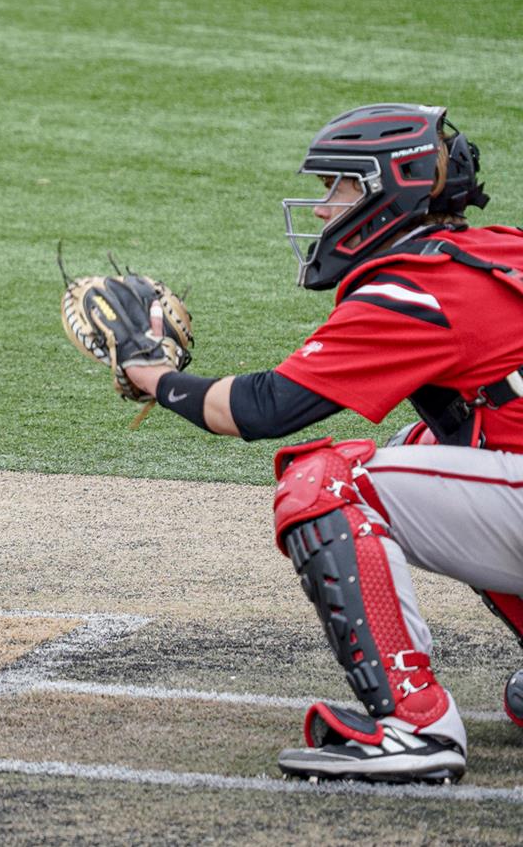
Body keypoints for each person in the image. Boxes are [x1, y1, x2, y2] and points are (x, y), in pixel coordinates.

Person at [117, 103, 523, 783]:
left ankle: (414, 727)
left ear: (386, 189)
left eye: (339, 187)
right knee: (425, 441)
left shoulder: (417, 289)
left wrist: (152, 375)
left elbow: (262, 408)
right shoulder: (500, 246)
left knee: (331, 481)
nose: (321, 208)